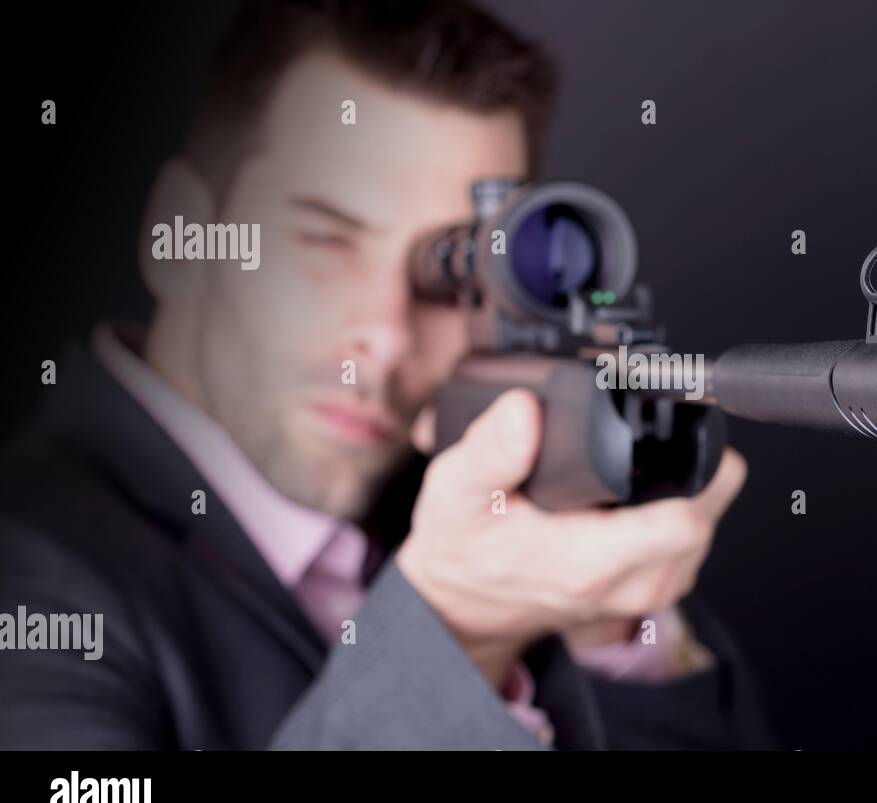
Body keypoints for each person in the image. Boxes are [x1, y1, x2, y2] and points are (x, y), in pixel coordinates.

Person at [0, 0, 772, 750]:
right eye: (326, 241)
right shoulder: (26, 565)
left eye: (448, 273)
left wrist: (618, 636)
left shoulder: (492, 517)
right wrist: (455, 634)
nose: (388, 333)